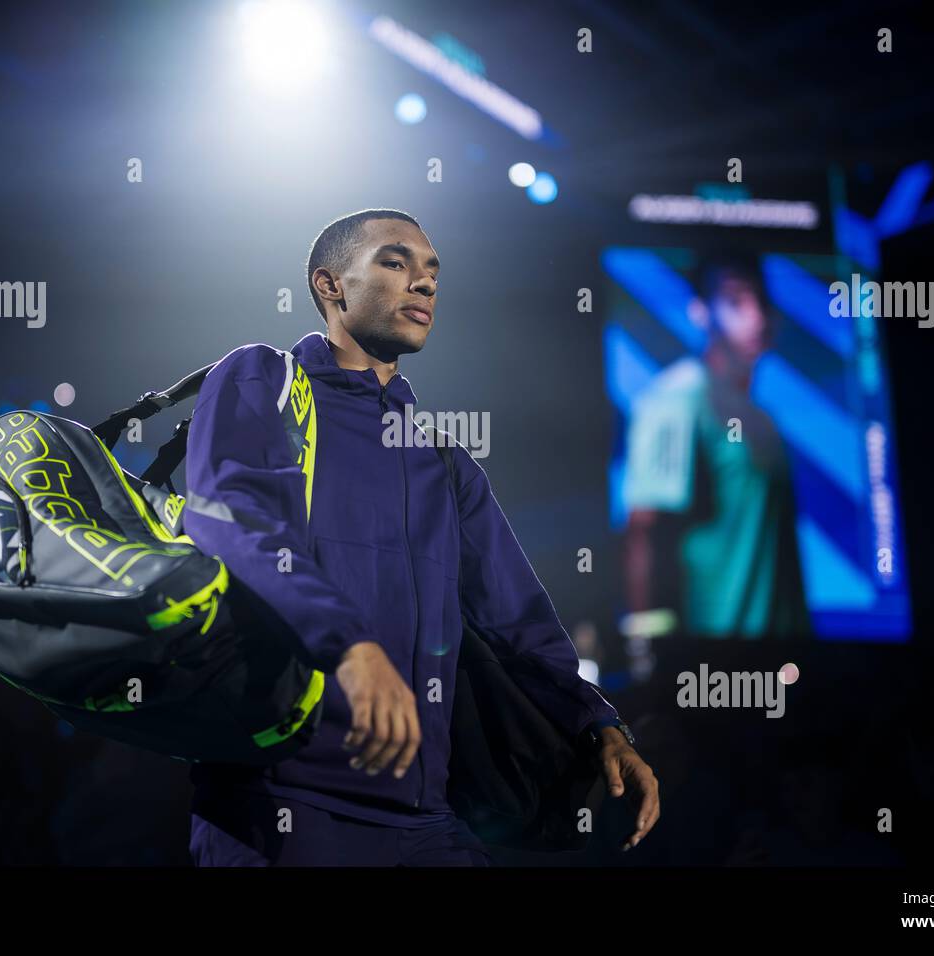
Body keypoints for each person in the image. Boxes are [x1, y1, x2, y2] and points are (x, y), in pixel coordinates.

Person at [183, 209, 659, 865]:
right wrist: (349, 646)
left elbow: (517, 619)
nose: (425, 283)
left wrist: (600, 724)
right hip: (280, 801)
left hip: (426, 816)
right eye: (395, 262)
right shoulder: (262, 380)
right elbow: (234, 521)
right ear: (331, 286)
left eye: (432, 271)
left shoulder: (443, 461)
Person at [622, 252, 810, 639]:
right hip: (711, 662)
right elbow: (646, 529)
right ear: (701, 311)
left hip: (780, 660)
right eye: (735, 301)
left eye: (761, 300)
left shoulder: (762, 417)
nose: (755, 317)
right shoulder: (679, 396)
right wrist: (653, 656)